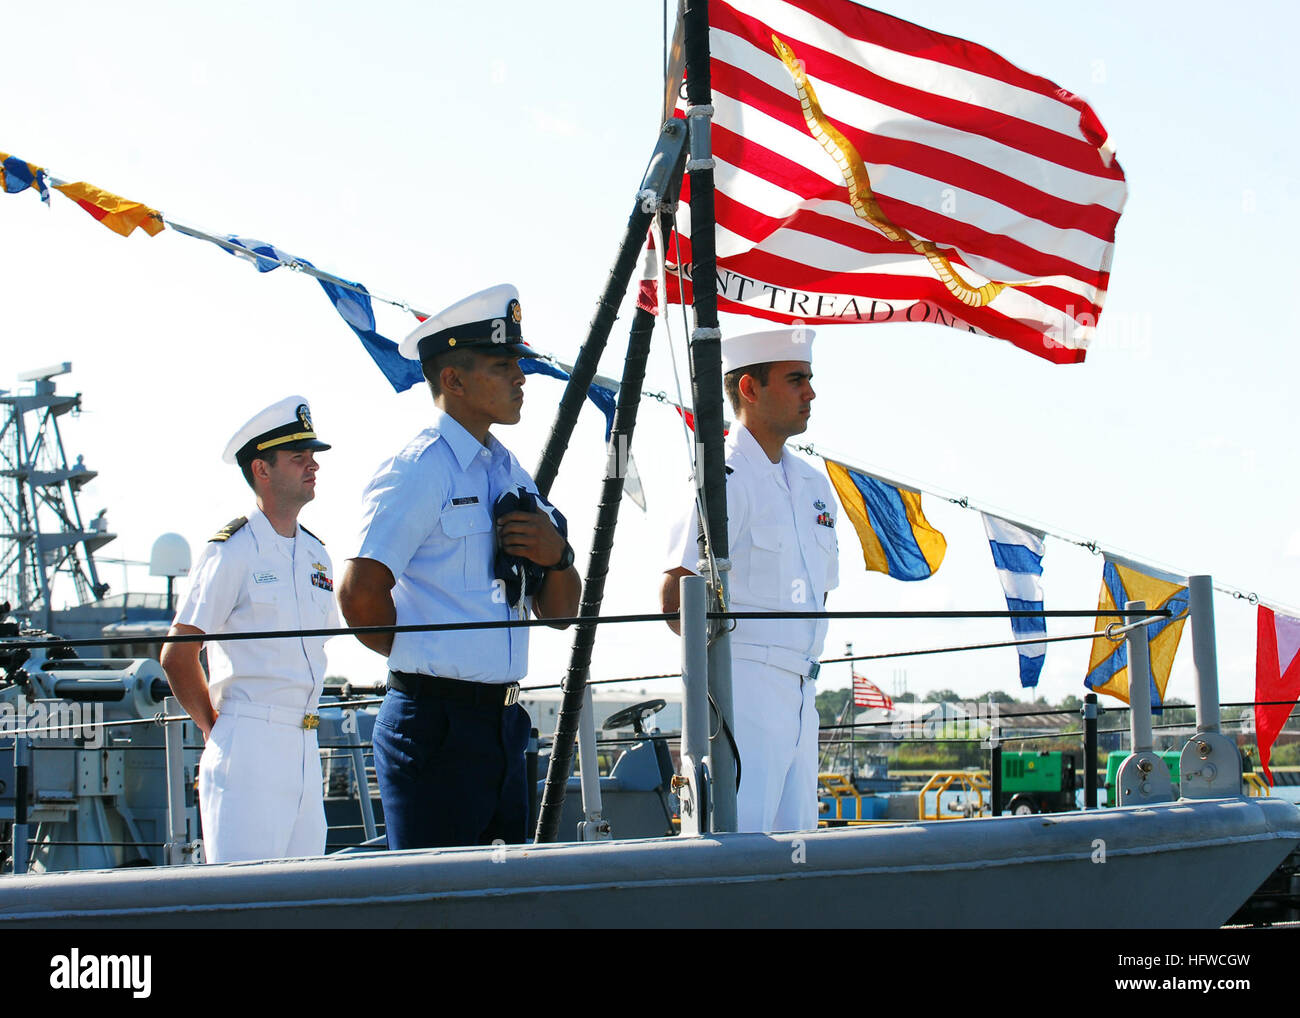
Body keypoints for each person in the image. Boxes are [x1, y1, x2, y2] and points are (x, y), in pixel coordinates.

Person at [338, 283, 581, 850]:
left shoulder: (512, 473)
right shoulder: (420, 468)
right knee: (437, 904)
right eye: (503, 366)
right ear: (454, 380)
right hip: (434, 726)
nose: (521, 378)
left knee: (505, 905)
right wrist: (425, 660)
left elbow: (561, 612)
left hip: (504, 725)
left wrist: (560, 556)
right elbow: (358, 593)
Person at [661, 329, 838, 834]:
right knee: (736, 843)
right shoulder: (720, 477)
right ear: (749, 389)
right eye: (796, 379)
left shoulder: (812, 483)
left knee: (796, 850)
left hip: (805, 690)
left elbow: (820, 593)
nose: (810, 392)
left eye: (809, 379)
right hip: (744, 686)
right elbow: (677, 596)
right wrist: (722, 670)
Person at [161, 396, 337, 864]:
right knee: (246, 903)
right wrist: (215, 727)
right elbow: (177, 654)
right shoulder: (232, 551)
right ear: (262, 469)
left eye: (312, 457)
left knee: (305, 905)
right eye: (299, 457)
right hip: (250, 744)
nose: (313, 466)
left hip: (306, 742)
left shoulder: (318, 555)